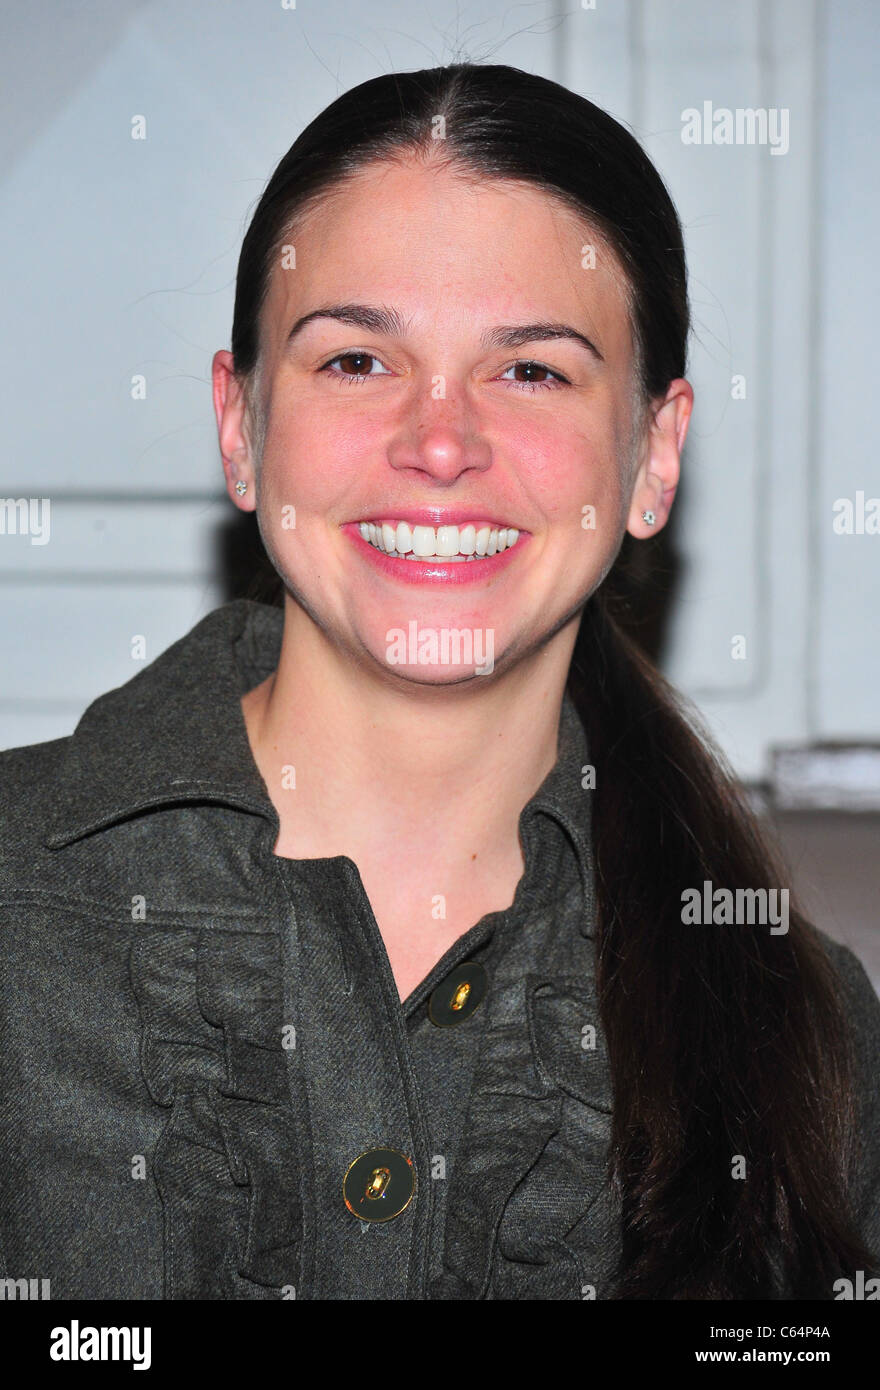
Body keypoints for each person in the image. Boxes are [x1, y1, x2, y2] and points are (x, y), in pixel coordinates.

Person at [1, 62, 877, 1302]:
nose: (442, 442)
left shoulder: (812, 1029)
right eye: (357, 360)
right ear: (240, 428)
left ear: (653, 454)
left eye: (531, 370)